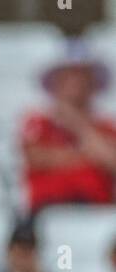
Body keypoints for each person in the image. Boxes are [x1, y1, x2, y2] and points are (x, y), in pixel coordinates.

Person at [21, 42, 116, 213]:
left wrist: (77, 125)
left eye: (82, 76)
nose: (76, 83)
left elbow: (112, 162)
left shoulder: (106, 125)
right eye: (69, 76)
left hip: (95, 210)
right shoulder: (37, 121)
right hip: (46, 209)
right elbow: (36, 158)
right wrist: (89, 155)